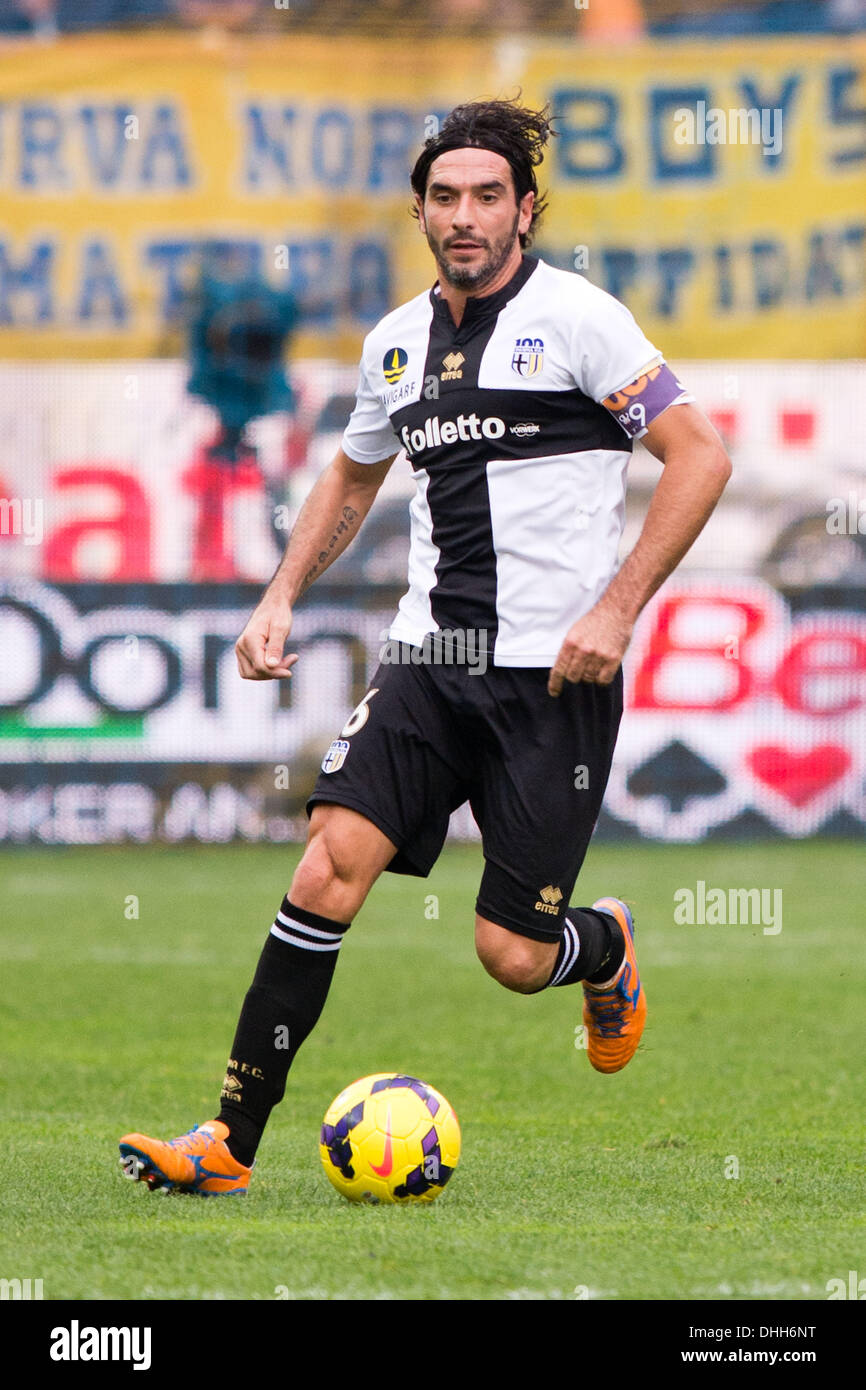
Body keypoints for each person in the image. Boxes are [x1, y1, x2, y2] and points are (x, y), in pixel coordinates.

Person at [118, 99, 731, 1196]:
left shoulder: (580, 320)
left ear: (524, 209)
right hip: (425, 661)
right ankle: (226, 1142)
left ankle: (601, 948)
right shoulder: (394, 343)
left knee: (510, 957)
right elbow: (353, 474)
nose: (465, 216)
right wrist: (279, 594)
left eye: (487, 196)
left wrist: (616, 610)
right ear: (419, 212)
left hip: (556, 675)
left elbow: (699, 458)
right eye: (445, 197)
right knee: (324, 868)